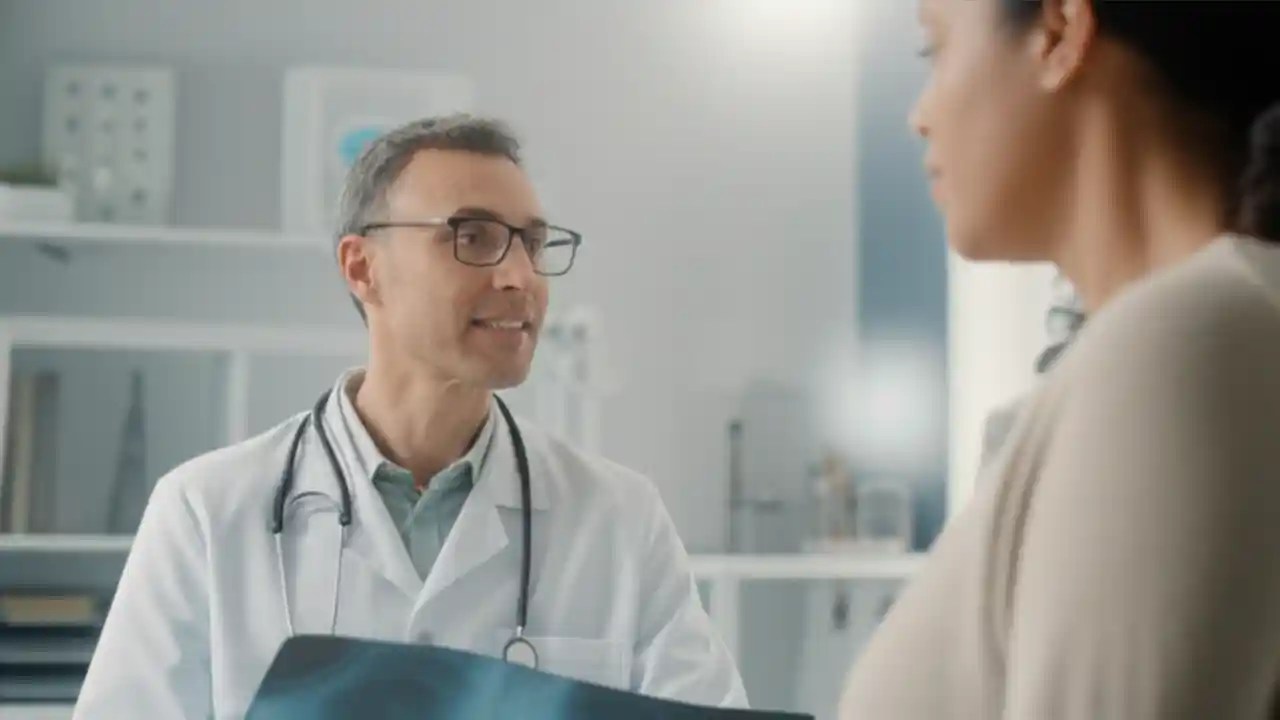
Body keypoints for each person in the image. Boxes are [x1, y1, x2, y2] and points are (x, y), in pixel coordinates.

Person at [74, 115, 747, 718]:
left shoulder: (619, 519)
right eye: (474, 237)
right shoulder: (205, 511)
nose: (520, 277)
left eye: (532, 244)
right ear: (362, 268)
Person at [840, 0, 1280, 717]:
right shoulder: (1154, 364)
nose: (917, 115)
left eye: (936, 49)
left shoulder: (1183, 351)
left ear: (1058, 32)